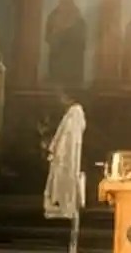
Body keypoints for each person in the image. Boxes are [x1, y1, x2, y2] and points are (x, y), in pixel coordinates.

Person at [43, 90, 86, 221]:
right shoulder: (70, 114)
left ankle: (66, 206)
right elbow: (62, 134)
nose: (60, 101)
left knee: (66, 181)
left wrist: (59, 149)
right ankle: (60, 204)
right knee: (59, 181)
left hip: (68, 155)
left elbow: (69, 136)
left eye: (62, 97)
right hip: (63, 155)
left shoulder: (75, 113)